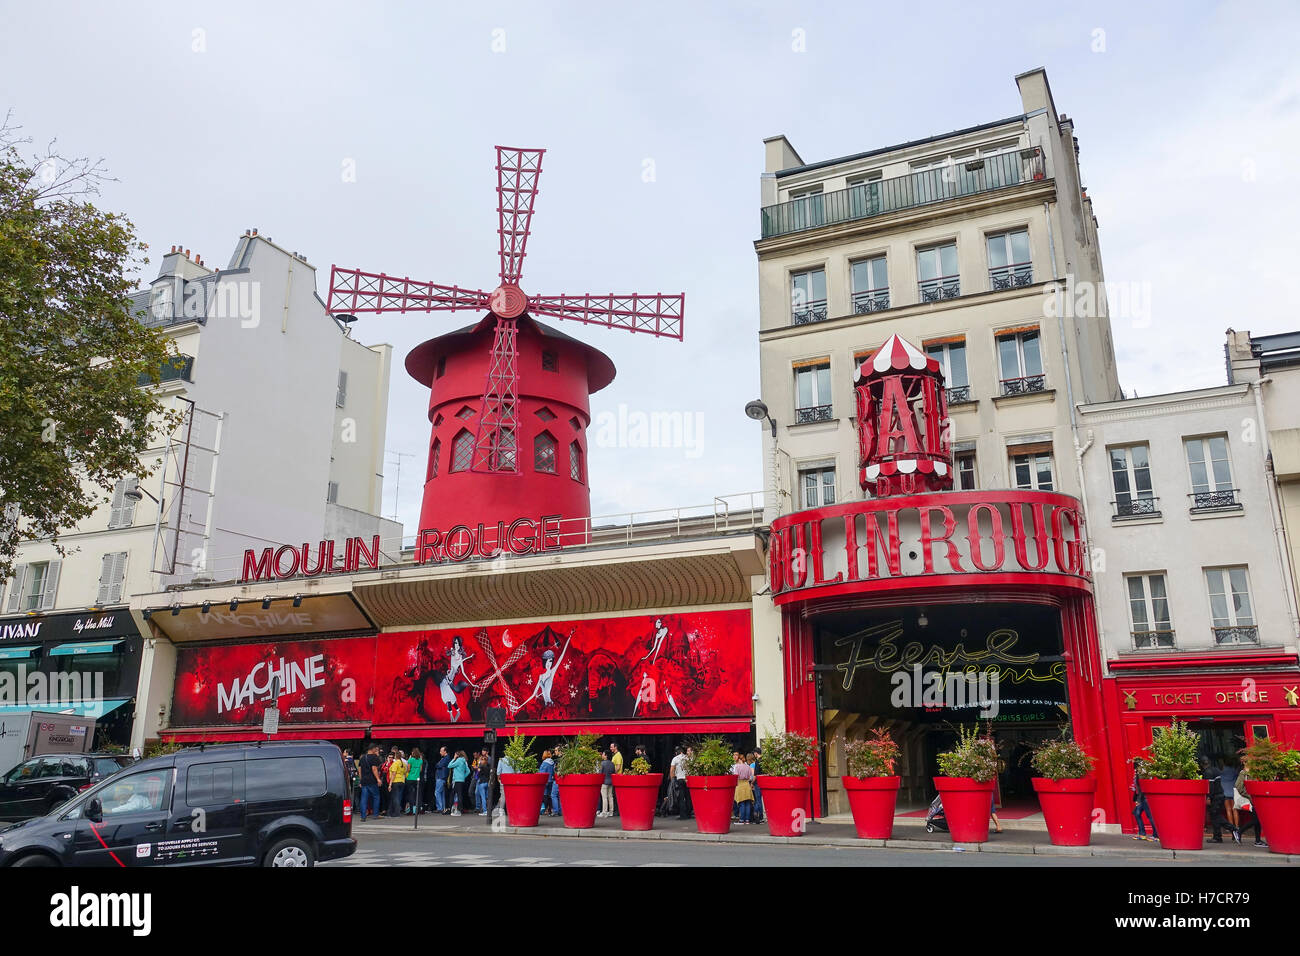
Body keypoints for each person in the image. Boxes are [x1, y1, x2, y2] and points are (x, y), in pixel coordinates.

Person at [1130, 757, 1158, 842]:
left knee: (1150, 816)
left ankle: (1156, 835)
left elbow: (1143, 788)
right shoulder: (1139, 774)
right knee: (1136, 813)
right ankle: (1142, 833)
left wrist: (1138, 800)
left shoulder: (1143, 775)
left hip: (1144, 798)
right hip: (1141, 797)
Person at [359, 744, 384, 822]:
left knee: (364, 798)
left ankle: (363, 816)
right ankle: (375, 814)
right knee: (376, 796)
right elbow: (374, 769)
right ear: (372, 749)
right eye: (375, 749)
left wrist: (361, 779)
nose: (376, 750)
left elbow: (359, 770)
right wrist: (378, 779)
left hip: (364, 781)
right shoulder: (374, 757)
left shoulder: (362, 758)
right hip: (372, 780)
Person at [732, 751, 755, 824]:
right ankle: (747, 820)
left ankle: (742, 819)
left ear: (739, 759)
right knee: (747, 803)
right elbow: (751, 777)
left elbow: (735, 776)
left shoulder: (737, 767)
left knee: (741, 803)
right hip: (747, 785)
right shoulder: (748, 767)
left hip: (740, 784)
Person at [1220, 755, 1241, 832]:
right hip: (1233, 792)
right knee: (1235, 809)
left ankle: (1231, 827)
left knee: (1228, 810)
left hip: (1225, 792)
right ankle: (1237, 826)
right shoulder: (1234, 771)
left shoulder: (1221, 771)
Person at [670, 746, 690, 821]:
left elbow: (672, 770)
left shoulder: (675, 759)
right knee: (688, 796)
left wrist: (672, 779)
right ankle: (688, 812)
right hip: (687, 779)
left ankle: (683, 815)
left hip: (679, 779)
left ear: (676, 753)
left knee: (681, 797)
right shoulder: (687, 758)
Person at [387, 749, 409, 818]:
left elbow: (393, 774)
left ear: (396, 756)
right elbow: (406, 772)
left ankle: (397, 812)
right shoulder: (403, 763)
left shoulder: (396, 763)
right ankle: (390, 812)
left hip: (395, 781)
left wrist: (390, 784)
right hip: (402, 781)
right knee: (396, 797)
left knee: (395, 797)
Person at [449, 750, 471, 816]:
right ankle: (459, 809)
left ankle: (456, 810)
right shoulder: (464, 761)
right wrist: (463, 777)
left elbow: (449, 765)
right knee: (459, 795)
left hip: (456, 780)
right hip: (461, 780)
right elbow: (468, 771)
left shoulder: (458, 760)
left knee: (453, 794)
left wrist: (454, 758)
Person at [405, 748, 424, 815]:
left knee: (410, 794)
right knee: (418, 794)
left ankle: (411, 810)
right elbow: (421, 770)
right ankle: (418, 809)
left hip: (410, 778)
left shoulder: (410, 760)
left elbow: (408, 769)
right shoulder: (420, 760)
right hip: (417, 779)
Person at [539, 750, 558, 816]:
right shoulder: (552, 762)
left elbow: (541, 773)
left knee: (545, 795)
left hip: (545, 781)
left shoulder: (544, 763)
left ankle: (545, 809)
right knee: (550, 795)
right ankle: (550, 809)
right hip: (551, 780)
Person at [434, 746, 451, 814]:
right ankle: (443, 807)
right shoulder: (445, 758)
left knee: (437, 792)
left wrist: (438, 764)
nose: (440, 752)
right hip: (442, 777)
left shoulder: (446, 758)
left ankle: (440, 808)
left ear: (445, 751)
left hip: (441, 777)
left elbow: (439, 765)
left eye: (441, 751)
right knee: (442, 793)